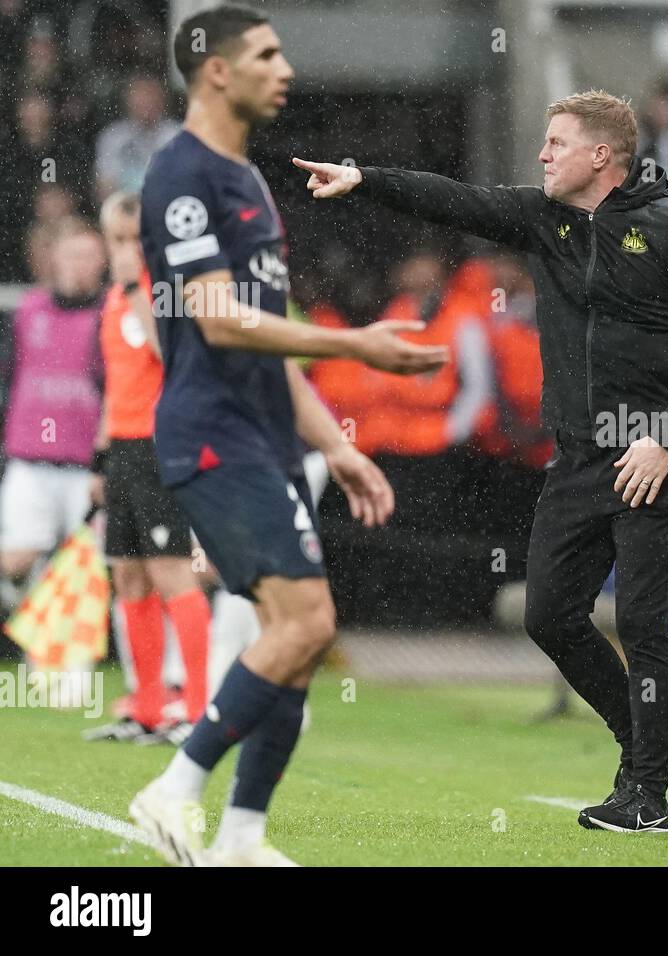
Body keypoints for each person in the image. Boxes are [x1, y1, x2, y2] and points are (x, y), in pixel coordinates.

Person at [295, 87, 668, 834]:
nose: (542, 154)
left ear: (601, 155)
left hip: (651, 450)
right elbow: (457, 201)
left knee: (639, 620)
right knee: (549, 615)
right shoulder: (544, 219)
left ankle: (646, 794)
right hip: (575, 456)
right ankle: (652, 745)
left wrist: (667, 433)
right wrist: (366, 179)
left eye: (557, 143)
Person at [129, 4, 448, 868]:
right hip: (210, 437)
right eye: (268, 55)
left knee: (295, 637)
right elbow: (222, 323)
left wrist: (336, 447)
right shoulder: (181, 175)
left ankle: (240, 837)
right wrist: (358, 347)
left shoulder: (252, 183)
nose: (287, 70)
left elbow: (271, 348)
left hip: (265, 438)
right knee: (306, 621)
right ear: (218, 71)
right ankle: (175, 785)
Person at [83, 192, 211, 745]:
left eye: (135, 239)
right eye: (116, 240)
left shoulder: (166, 293)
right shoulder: (114, 296)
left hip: (164, 445)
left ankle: (200, 708)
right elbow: (117, 383)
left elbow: (171, 357)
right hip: (125, 452)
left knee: (171, 572)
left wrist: (138, 288)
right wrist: (100, 455)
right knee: (127, 575)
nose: (125, 251)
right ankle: (149, 707)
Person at [0, 219, 105, 611]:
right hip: (30, 460)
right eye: (72, 255)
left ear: (101, 261)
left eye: (89, 256)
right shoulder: (27, 312)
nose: (80, 265)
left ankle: (71, 662)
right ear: (54, 258)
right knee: (15, 560)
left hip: (86, 467)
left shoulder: (110, 315)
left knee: (87, 569)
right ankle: (32, 601)